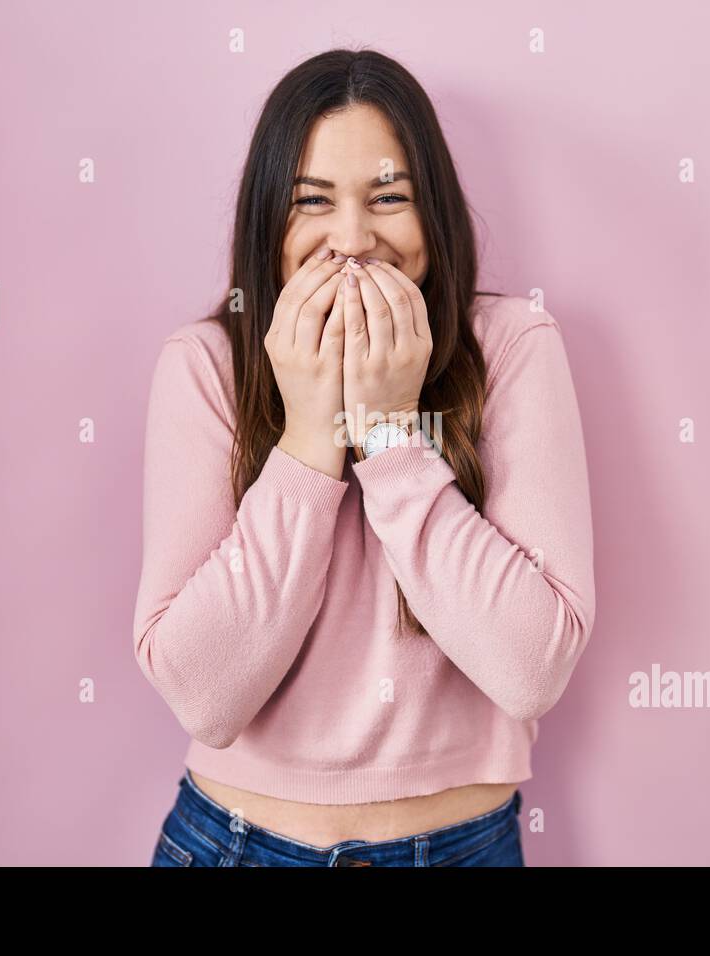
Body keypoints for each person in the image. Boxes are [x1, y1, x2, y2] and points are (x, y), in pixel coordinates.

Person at [132, 48, 595, 867]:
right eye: (314, 201)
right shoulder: (203, 364)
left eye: (389, 198)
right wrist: (311, 438)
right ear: (268, 219)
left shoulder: (513, 347)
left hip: (461, 846)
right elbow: (205, 699)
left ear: (435, 214)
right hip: (234, 846)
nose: (353, 239)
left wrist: (386, 435)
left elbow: (532, 669)